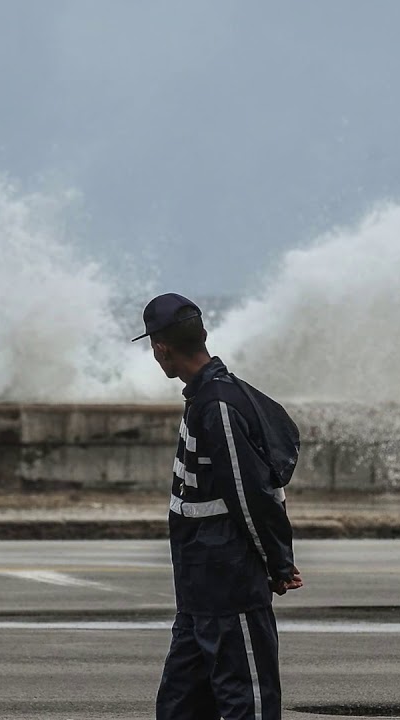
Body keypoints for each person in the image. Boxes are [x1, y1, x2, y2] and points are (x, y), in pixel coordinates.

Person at [134, 292, 303, 720]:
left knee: (247, 703)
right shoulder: (204, 397)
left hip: (229, 585)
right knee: (180, 705)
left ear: (161, 348)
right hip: (198, 592)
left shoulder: (218, 407)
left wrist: (278, 564)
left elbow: (251, 496)